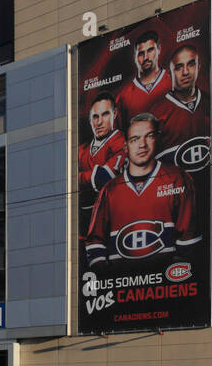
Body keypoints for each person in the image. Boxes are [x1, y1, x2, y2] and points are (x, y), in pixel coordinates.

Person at [84, 113, 200, 269]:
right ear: (126, 146)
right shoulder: (110, 190)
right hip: (121, 284)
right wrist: (107, 275)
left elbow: (189, 242)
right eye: (134, 139)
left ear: (157, 139)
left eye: (149, 136)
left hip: (165, 284)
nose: (142, 145)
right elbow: (95, 243)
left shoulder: (177, 179)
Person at [150, 44, 211, 173]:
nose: (185, 72)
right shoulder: (156, 113)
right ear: (170, 73)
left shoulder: (210, 103)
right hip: (173, 190)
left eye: (190, 64)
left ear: (198, 67)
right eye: (178, 67)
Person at [77, 91, 126, 213]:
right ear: (89, 120)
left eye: (105, 115)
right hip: (83, 217)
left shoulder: (122, 142)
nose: (99, 122)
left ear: (114, 114)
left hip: (113, 213)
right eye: (95, 117)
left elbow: (103, 178)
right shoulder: (81, 150)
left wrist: (76, 178)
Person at [115, 31, 172, 128]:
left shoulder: (174, 81)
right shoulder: (124, 97)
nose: (146, 57)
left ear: (159, 49)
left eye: (150, 50)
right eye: (141, 53)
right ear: (135, 57)